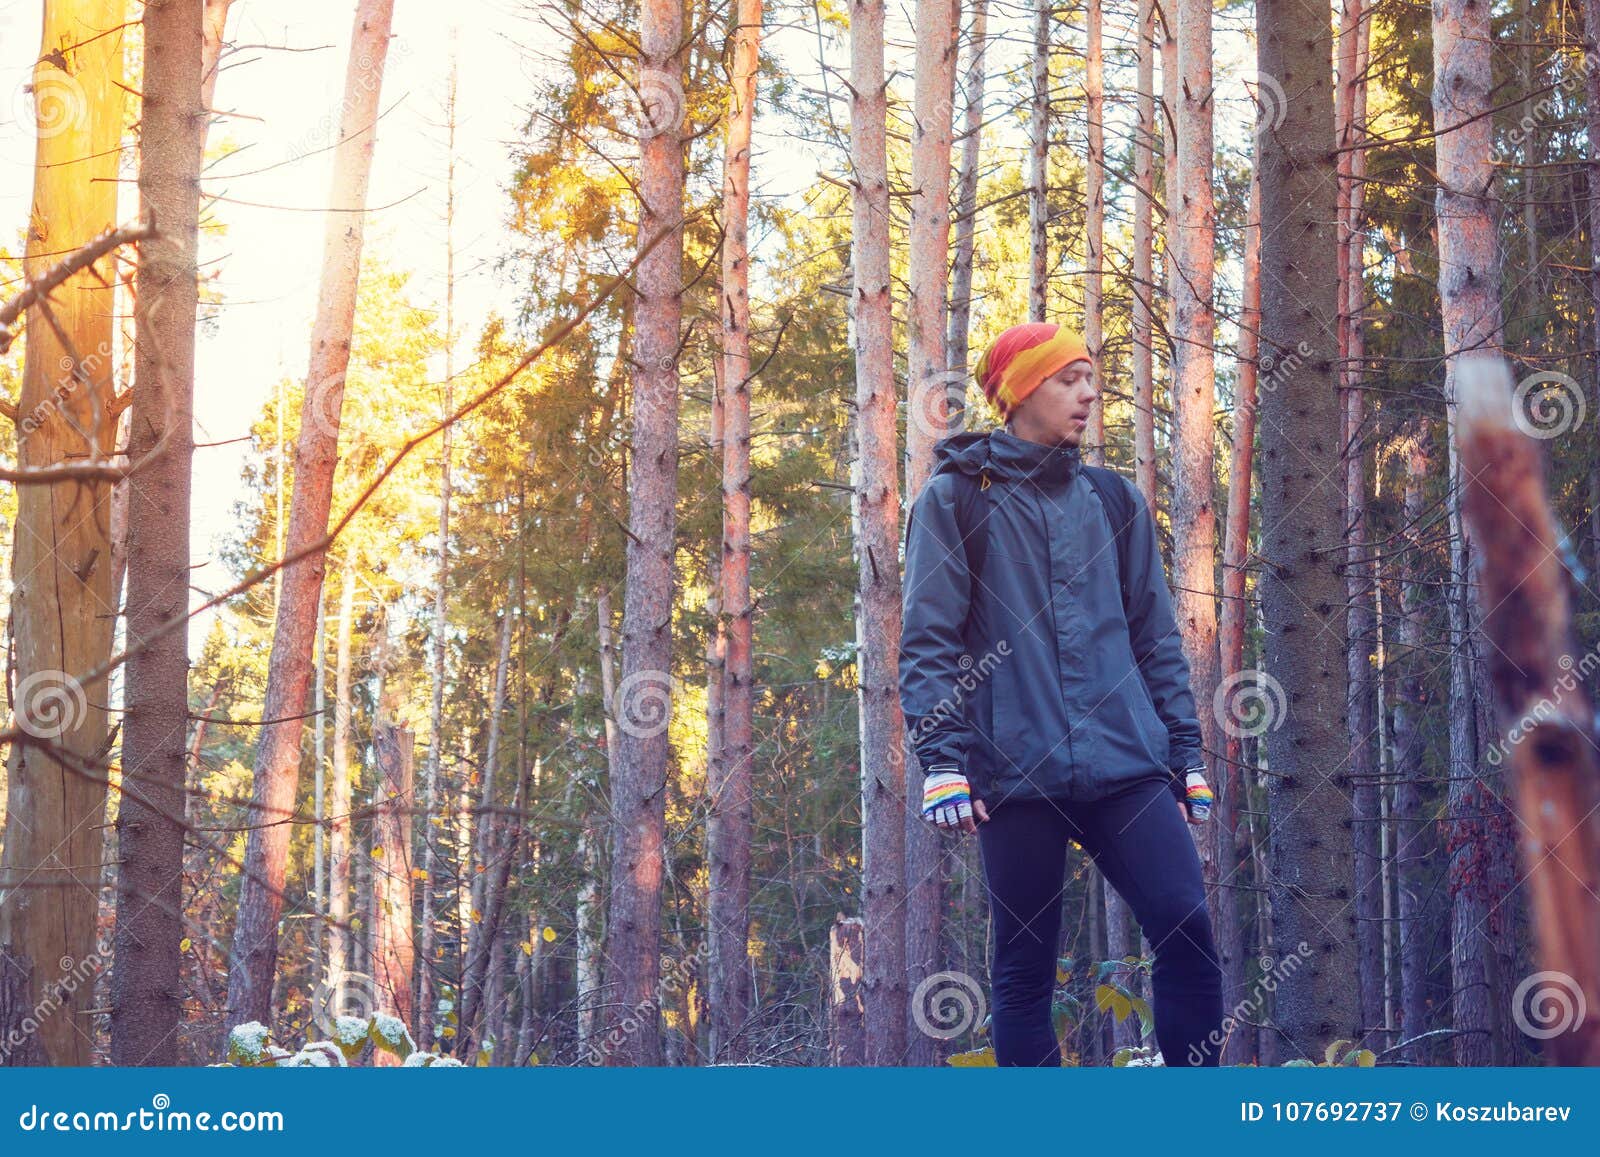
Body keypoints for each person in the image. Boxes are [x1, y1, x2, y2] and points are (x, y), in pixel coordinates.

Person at [898, 320, 1226, 1066]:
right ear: (1018, 393)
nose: (1087, 393)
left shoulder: (1113, 500)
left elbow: (1156, 639)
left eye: (1090, 377)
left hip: (1126, 764)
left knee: (1186, 926)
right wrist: (942, 760)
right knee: (1023, 971)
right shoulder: (956, 500)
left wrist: (1184, 754)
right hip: (1013, 773)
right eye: (1067, 378)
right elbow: (928, 643)